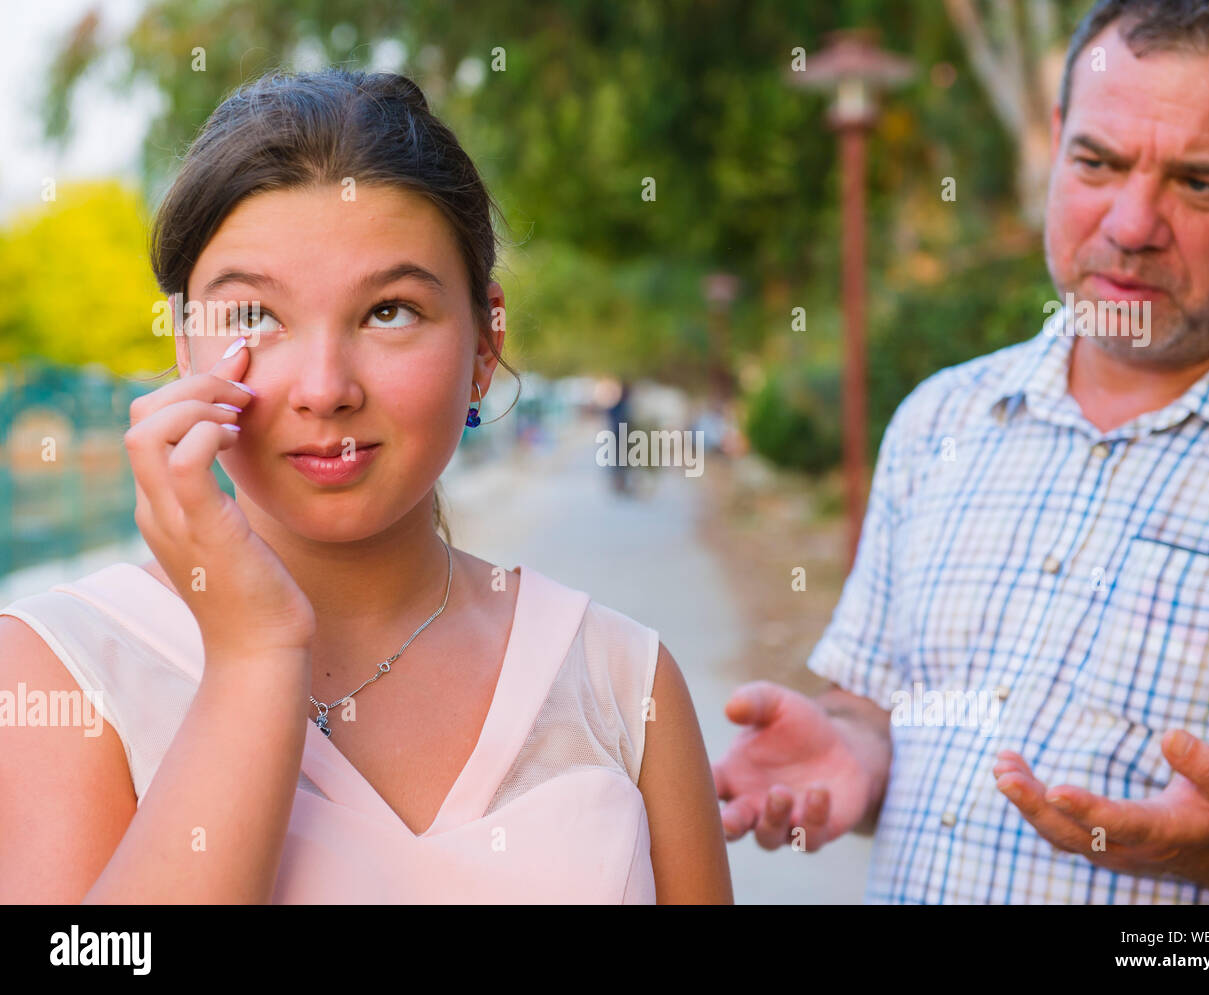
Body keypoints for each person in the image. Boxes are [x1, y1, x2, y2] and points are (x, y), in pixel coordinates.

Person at [0, 68, 731, 904]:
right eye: (253, 317)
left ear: (486, 346)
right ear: (183, 350)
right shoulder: (59, 670)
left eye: (388, 310)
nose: (325, 387)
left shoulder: (622, 679)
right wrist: (256, 657)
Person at [714, 0, 1209, 904]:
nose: (1133, 222)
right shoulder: (940, 418)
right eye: (1098, 163)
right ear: (1057, 142)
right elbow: (880, 705)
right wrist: (851, 753)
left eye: (1203, 184)